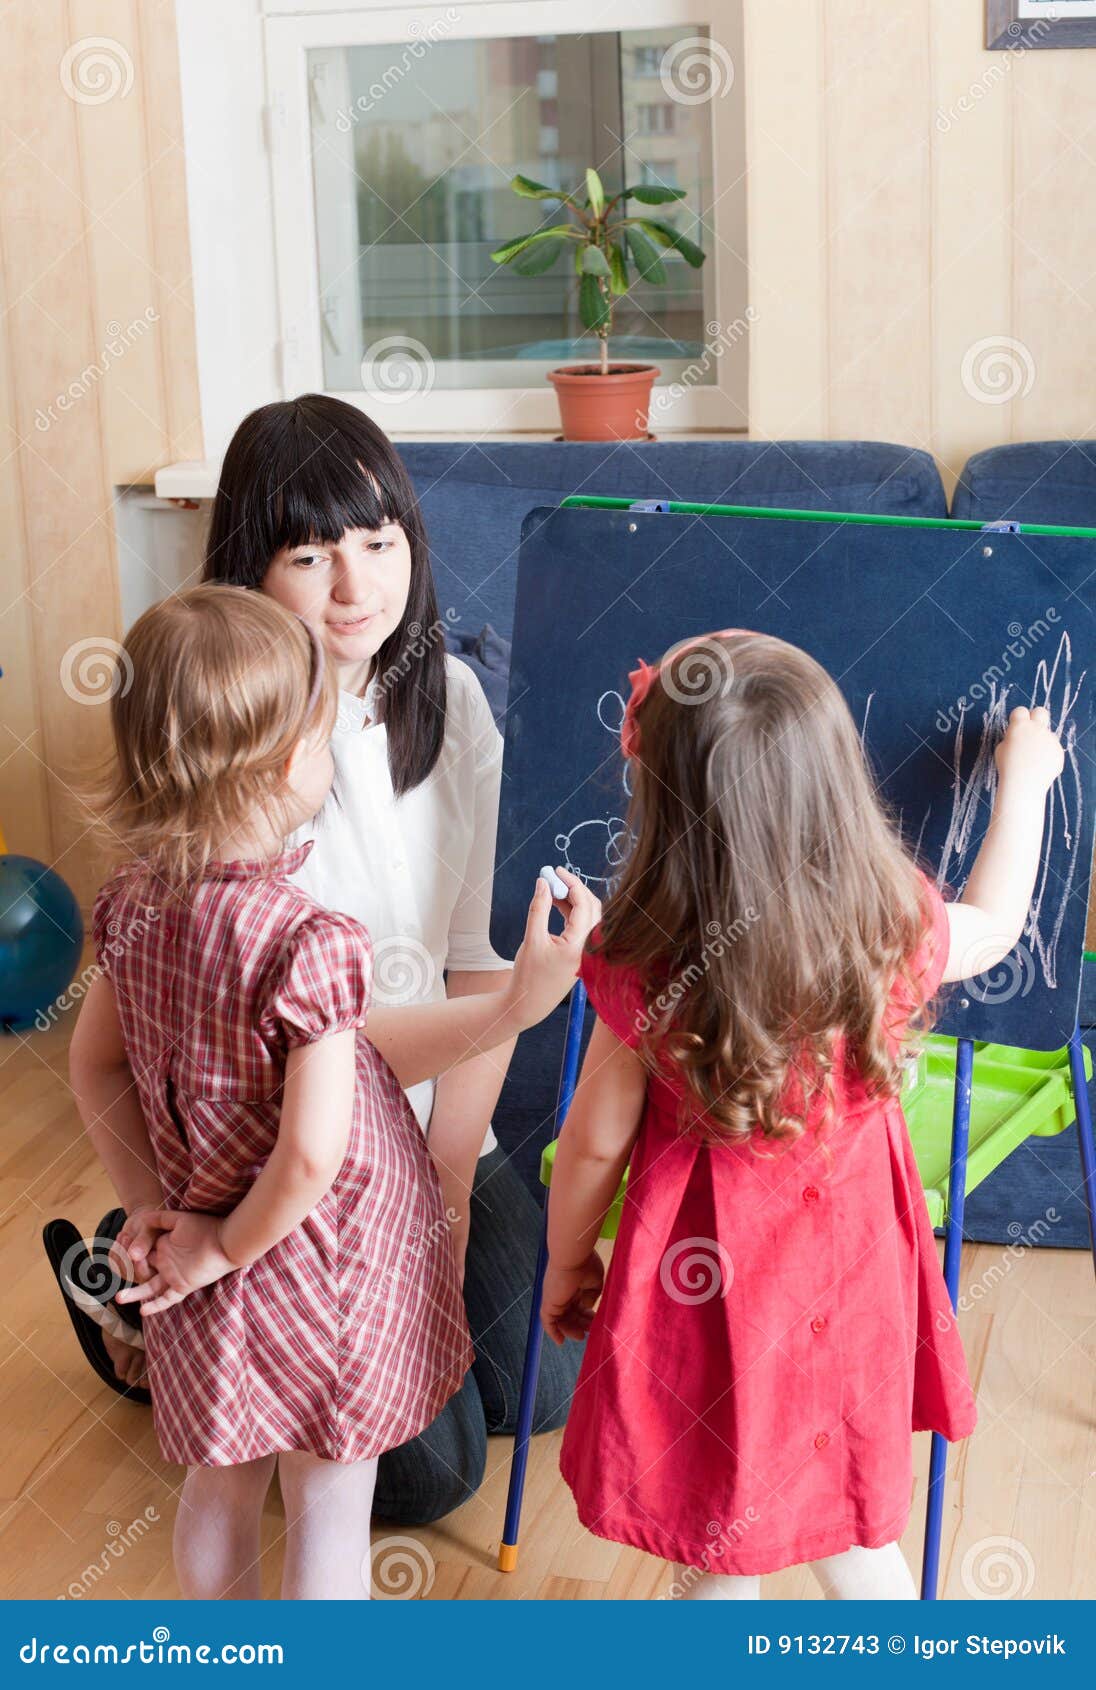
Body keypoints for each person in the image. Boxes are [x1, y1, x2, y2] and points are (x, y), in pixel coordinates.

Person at [81, 393, 584, 1522]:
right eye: (310, 555)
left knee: (537, 1385)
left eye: (379, 542)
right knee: (424, 1473)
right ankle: (130, 1305)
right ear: (247, 569)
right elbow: (301, 1046)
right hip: (283, 1159)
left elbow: (466, 956)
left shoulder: (449, 702)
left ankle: (166, 1305)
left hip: (426, 1114)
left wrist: (448, 1179)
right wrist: (171, 1216)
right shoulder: (219, 750)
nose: (356, 586)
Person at [542, 628, 1063, 1600]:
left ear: (659, 797)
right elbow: (992, 929)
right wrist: (1024, 785)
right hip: (849, 1283)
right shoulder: (885, 925)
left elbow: (594, 1141)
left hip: (700, 1296)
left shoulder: (639, 955)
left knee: (720, 1532)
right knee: (851, 1536)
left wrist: (570, 1258)